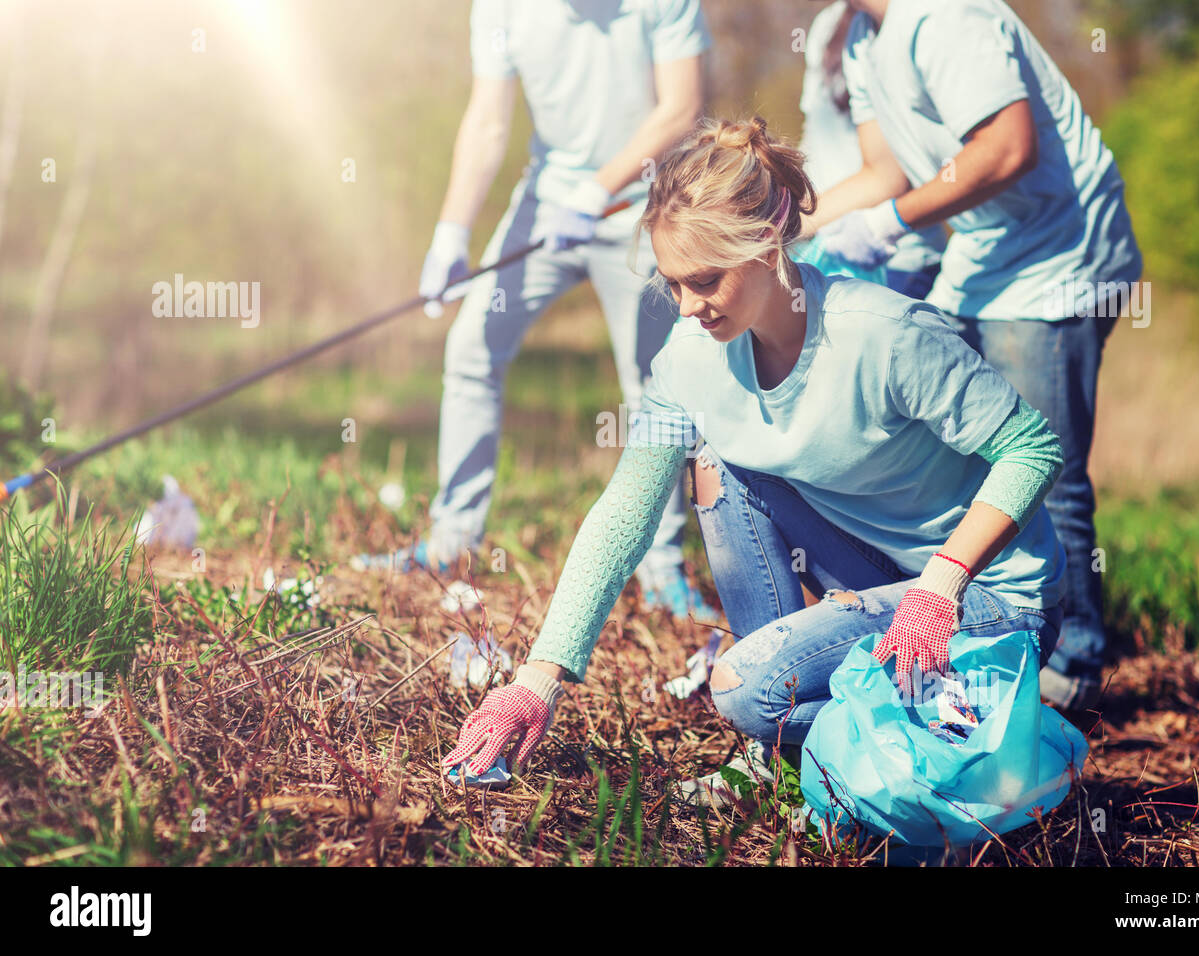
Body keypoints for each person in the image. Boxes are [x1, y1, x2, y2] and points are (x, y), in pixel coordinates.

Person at [441, 118, 1068, 806]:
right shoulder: (690, 361)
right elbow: (626, 510)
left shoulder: (885, 334)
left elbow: (1032, 450)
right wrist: (538, 677)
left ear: (768, 241)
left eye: (705, 280)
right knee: (718, 461)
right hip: (872, 572)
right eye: (672, 284)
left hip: (985, 595)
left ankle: (952, 720)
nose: (688, 308)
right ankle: (821, 746)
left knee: (746, 688)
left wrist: (940, 584)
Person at [804, 0, 1143, 708]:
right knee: (952, 451)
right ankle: (972, 624)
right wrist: (775, 226)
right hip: (985, 255)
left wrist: (891, 223)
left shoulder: (945, 15)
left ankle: (1073, 668)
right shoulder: (862, 37)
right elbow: (883, 172)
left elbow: (1006, 149)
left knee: (1040, 463)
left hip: (1060, 260)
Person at [352, 0, 712, 619]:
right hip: (545, 204)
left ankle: (661, 568)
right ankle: (451, 542)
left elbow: (681, 106)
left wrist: (600, 187)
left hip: (644, 205)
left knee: (655, 386)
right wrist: (451, 233)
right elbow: (489, 121)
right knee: (470, 350)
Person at [796, 0, 946, 297]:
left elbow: (889, 175)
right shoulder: (827, 24)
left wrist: (789, 223)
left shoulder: (920, 19)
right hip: (824, 253)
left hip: (894, 258)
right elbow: (814, 133)